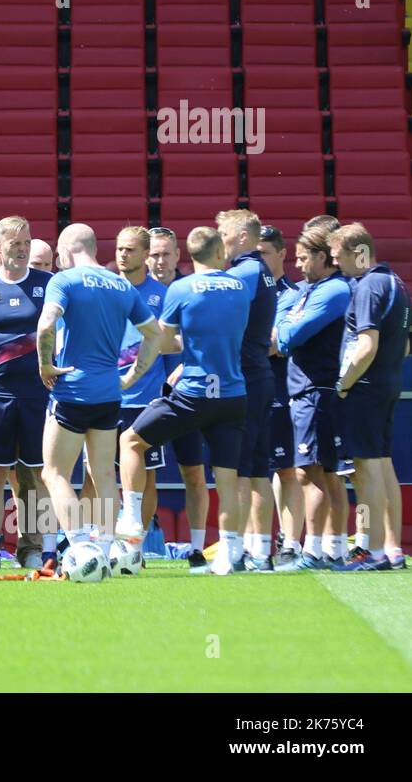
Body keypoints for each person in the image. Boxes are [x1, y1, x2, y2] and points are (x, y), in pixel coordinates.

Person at [118, 228, 252, 575]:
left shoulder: (180, 289)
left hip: (192, 393)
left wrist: (180, 346)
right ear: (221, 251)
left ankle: (131, 519)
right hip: (233, 393)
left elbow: (163, 343)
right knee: (226, 478)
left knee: (130, 440)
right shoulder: (240, 286)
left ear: (187, 255)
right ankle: (229, 554)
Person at [37, 224, 160, 574]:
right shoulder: (121, 284)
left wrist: (45, 364)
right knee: (105, 473)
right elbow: (153, 334)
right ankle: (104, 550)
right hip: (109, 393)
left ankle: (80, 548)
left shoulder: (64, 281)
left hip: (73, 389)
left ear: (65, 248)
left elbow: (46, 326)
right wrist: (132, 376)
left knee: (55, 473)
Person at [330, 224, 410, 571]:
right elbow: (405, 343)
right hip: (387, 383)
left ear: (358, 252)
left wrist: (344, 383)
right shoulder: (395, 282)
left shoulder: (367, 287)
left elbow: (366, 346)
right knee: (382, 465)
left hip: (364, 388)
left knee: (365, 471)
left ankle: (372, 550)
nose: (338, 266)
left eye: (340, 258)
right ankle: (391, 548)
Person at [0, 216, 56, 572]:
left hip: (38, 395)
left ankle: (34, 549)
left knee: (36, 475)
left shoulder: (48, 284)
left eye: (26, 243)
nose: (23, 250)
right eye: (14, 244)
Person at [272, 227, 351, 571]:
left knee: (311, 473)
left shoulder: (334, 290)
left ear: (322, 257)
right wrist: (286, 326)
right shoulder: (309, 290)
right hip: (307, 389)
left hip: (316, 389)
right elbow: (277, 324)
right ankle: (334, 549)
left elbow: (290, 333)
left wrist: (287, 327)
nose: (298, 265)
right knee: (325, 472)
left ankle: (314, 551)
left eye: (304, 258)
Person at [216, 210, 279, 572]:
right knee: (256, 468)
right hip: (259, 374)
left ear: (241, 236)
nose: (219, 238)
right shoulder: (261, 271)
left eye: (224, 232)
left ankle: (235, 552)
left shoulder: (244, 273)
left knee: (237, 467)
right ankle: (260, 551)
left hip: (245, 378)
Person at [148, 225, 210, 573]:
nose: (159, 260)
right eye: (154, 253)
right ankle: (137, 547)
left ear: (178, 255)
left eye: (165, 253)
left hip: (190, 396)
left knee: (193, 473)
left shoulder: (192, 291)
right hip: (148, 398)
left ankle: (198, 549)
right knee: (144, 475)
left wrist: (187, 366)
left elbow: (208, 338)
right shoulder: (136, 292)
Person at [111, 226, 168, 544]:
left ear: (146, 254)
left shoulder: (161, 295)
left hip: (146, 400)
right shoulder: (106, 289)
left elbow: (171, 343)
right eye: (120, 248)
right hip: (106, 397)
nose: (123, 254)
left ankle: (136, 546)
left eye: (131, 249)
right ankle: (101, 543)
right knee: (98, 475)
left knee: (147, 477)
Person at [257, 225, 304, 564]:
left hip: (283, 390)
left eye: (264, 254)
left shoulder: (295, 293)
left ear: (282, 254)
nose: (258, 260)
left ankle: (290, 543)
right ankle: (256, 544)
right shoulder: (246, 289)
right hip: (248, 389)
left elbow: (277, 345)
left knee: (287, 469)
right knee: (254, 470)